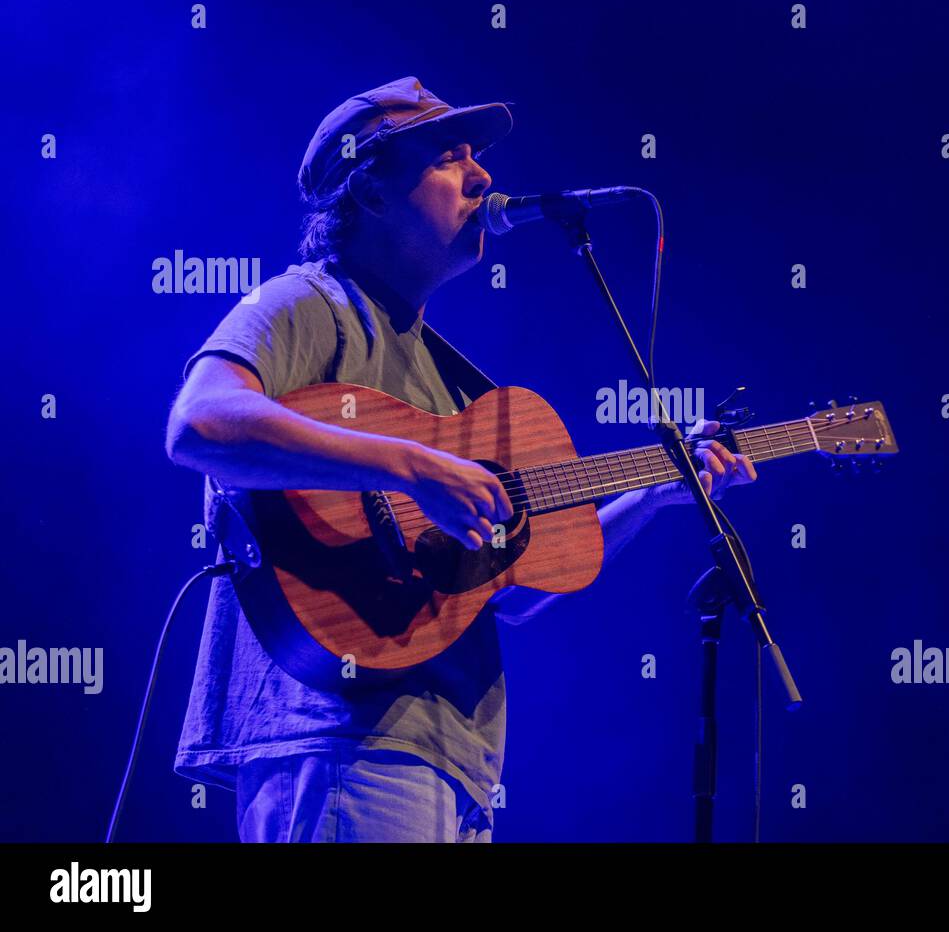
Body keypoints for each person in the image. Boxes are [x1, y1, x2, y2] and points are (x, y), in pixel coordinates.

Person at [163, 76, 757, 842]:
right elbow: (200, 422)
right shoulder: (311, 302)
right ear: (370, 193)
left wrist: (657, 492)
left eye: (476, 158)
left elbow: (512, 590)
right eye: (449, 158)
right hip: (342, 733)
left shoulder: (442, 377)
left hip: (452, 758)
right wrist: (412, 468)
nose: (482, 177)